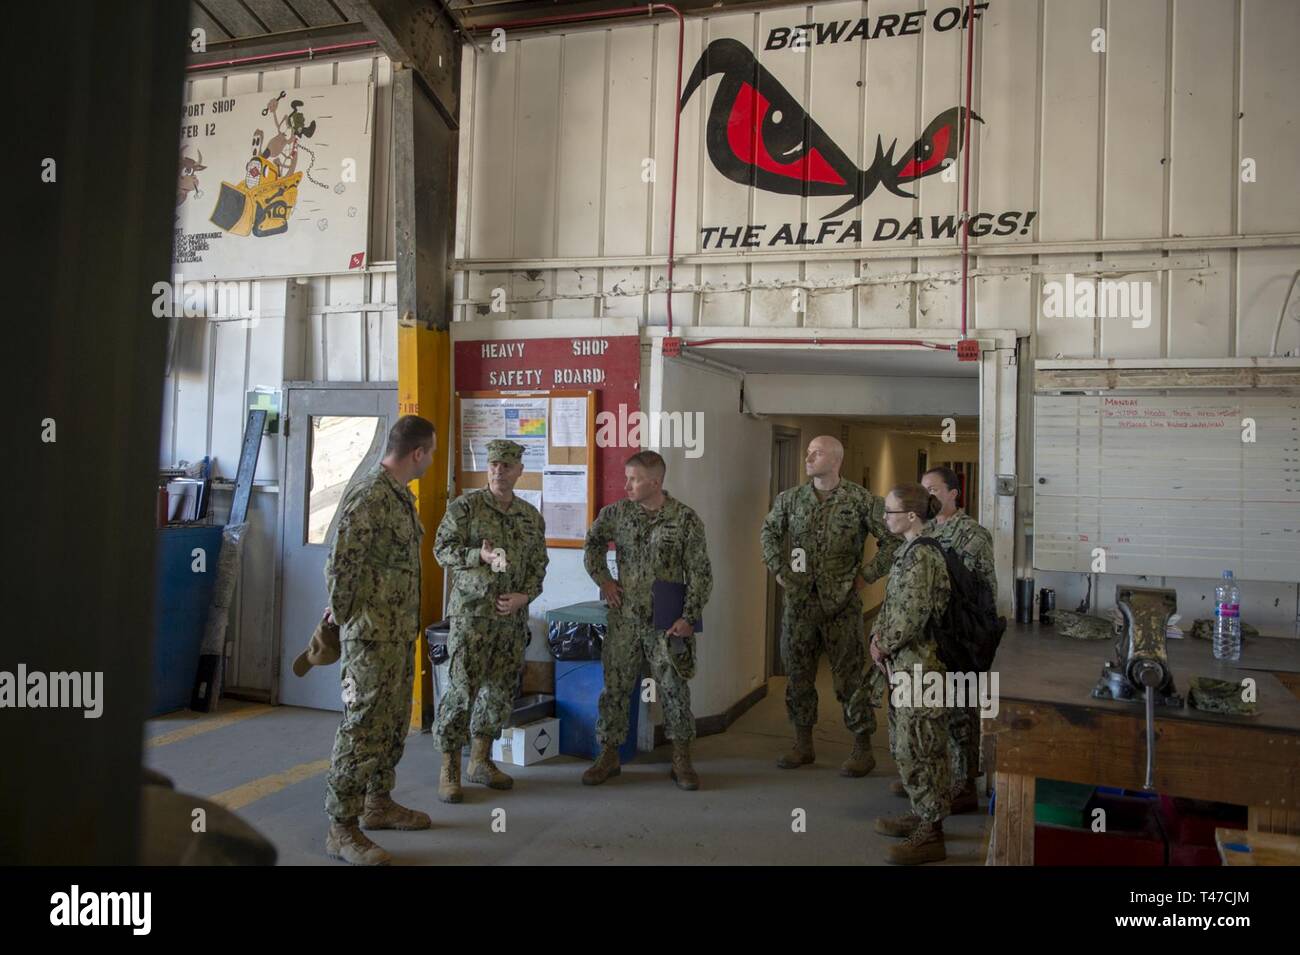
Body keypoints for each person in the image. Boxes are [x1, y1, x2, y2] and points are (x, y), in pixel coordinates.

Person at [323, 414, 437, 866]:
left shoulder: (398, 496)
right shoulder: (371, 495)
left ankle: (378, 803)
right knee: (362, 727)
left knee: (390, 724)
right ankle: (341, 828)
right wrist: (348, 621)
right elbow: (340, 565)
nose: (430, 460)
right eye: (431, 452)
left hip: (395, 635)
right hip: (371, 639)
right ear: (418, 453)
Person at [759, 435, 901, 775]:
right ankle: (803, 743)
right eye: (807, 452)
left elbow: (893, 539)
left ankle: (862, 748)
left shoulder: (860, 500)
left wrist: (867, 575)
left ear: (836, 460)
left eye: (817, 453)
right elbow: (769, 533)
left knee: (849, 679)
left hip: (842, 606)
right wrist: (778, 569)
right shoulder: (791, 499)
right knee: (798, 676)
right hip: (799, 605)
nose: (808, 457)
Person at [581, 451, 712, 790]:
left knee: (673, 689)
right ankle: (608, 754)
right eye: (626, 478)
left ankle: (681, 759)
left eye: (634, 479)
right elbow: (592, 544)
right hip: (625, 617)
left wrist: (688, 616)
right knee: (616, 688)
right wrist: (604, 581)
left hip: (666, 623)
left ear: (655, 482)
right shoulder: (616, 514)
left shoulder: (684, 519)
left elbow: (700, 573)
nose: (626, 485)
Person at [432, 439, 548, 802]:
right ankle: (450, 767)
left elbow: (538, 566)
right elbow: (441, 550)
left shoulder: (530, 517)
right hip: (472, 616)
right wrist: (475, 555)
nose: (499, 470)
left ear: (518, 472)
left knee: (499, 692)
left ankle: (480, 760)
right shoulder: (464, 508)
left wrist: (525, 597)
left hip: (510, 620)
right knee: (461, 691)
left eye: (506, 465)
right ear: (488, 467)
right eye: (494, 464)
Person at [869, 483, 952, 865]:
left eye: (890, 511)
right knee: (909, 742)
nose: (885, 518)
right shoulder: (910, 550)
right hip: (907, 667)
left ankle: (931, 833)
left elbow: (911, 615)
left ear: (912, 516)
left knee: (919, 745)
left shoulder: (921, 556)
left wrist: (881, 643)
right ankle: (921, 814)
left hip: (921, 668)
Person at [912, 466, 996, 813]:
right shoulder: (924, 530)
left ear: (953, 494)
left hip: (960, 634)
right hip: (928, 633)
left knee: (962, 710)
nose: (927, 496)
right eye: (922, 490)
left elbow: (985, 590)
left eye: (932, 489)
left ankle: (964, 786)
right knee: (931, 709)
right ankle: (931, 779)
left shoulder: (972, 534)